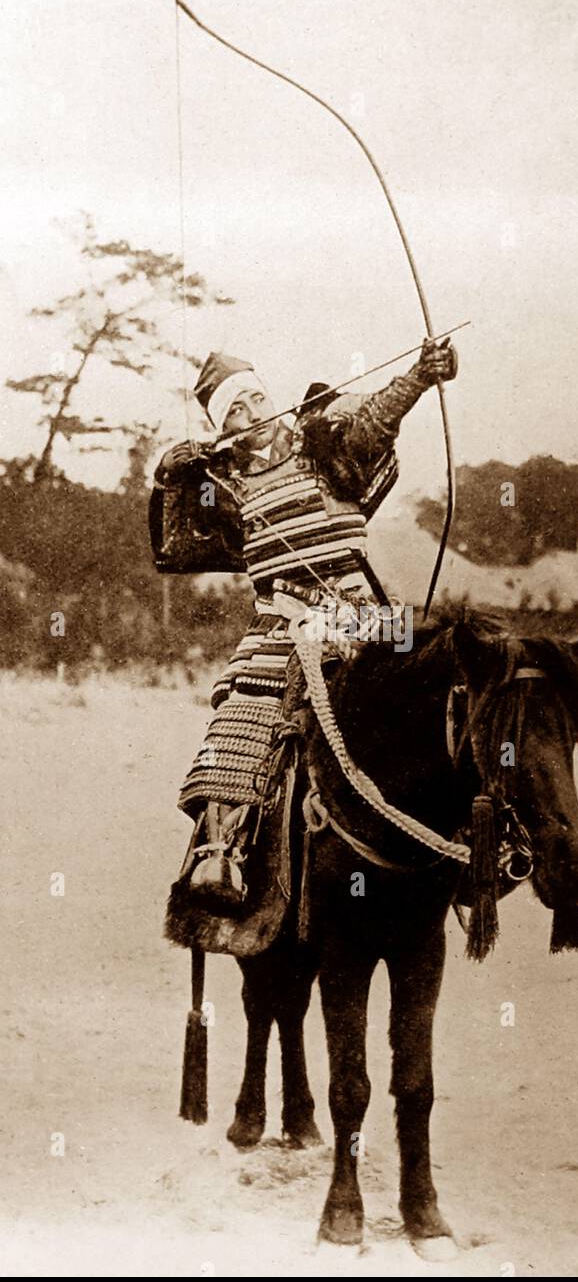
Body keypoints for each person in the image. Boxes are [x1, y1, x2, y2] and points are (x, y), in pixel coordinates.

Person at [152, 339, 458, 910]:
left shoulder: (325, 447)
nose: (252, 415)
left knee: (449, 686)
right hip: (282, 622)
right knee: (241, 712)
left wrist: (420, 373)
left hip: (367, 617)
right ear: (225, 428)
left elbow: (376, 416)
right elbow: (174, 549)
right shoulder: (222, 488)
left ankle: (485, 842)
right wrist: (171, 479)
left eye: (257, 399)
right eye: (236, 411)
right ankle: (220, 853)